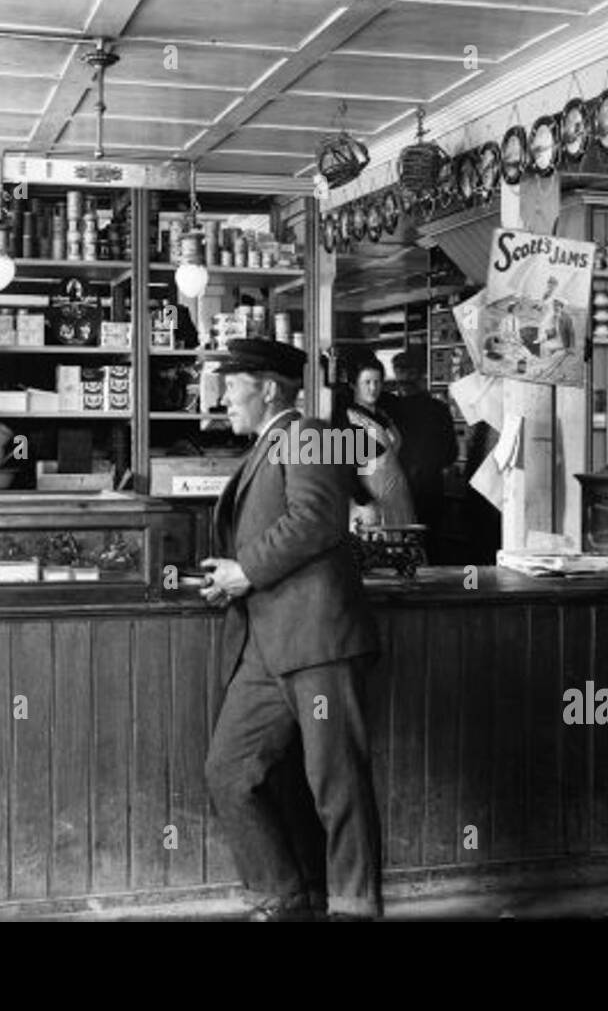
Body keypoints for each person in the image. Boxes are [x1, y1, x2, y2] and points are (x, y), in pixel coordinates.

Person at [200, 337, 383, 921]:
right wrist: (233, 577)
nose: (222, 399)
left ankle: (355, 908)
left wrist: (246, 570)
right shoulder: (270, 444)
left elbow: (317, 519)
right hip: (267, 644)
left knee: (338, 786)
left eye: (233, 388)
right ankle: (283, 894)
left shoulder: (308, 435)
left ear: (270, 390)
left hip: (317, 642)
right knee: (229, 771)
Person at [383, 351, 458, 561]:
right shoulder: (439, 409)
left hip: (397, 486)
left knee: (399, 547)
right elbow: (451, 454)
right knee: (430, 546)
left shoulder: (391, 409)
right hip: (430, 488)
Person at [344, 359, 416, 527]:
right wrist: (363, 501)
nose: (373, 388)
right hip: (371, 502)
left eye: (377, 382)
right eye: (367, 382)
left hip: (397, 498)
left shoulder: (383, 415)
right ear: (354, 385)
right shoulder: (351, 420)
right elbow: (345, 468)